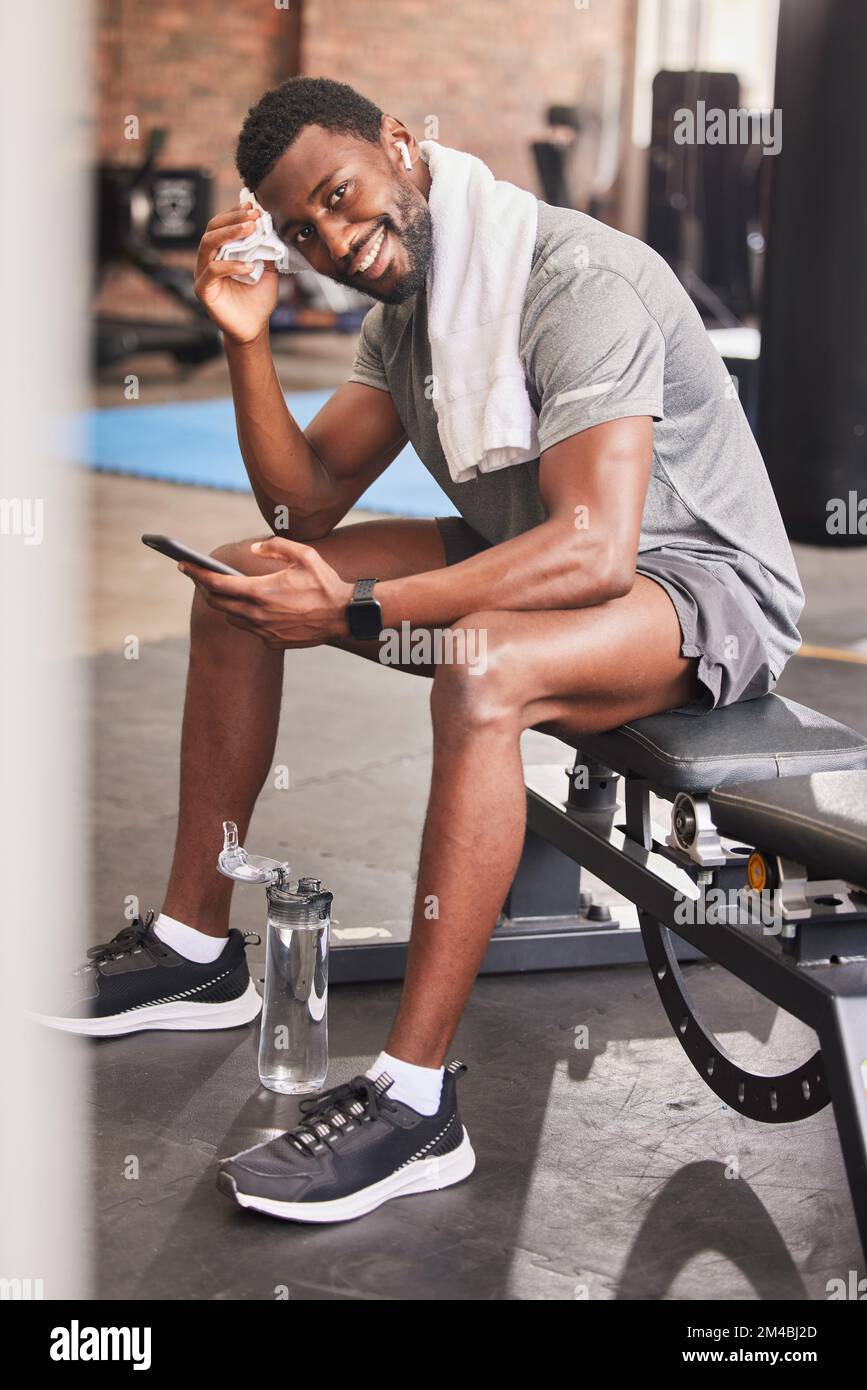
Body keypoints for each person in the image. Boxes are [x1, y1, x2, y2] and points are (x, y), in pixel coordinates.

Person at [45, 77, 804, 1223]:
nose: (338, 241)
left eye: (343, 198)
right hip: (532, 546)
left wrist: (363, 613)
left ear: (399, 144)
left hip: (699, 586)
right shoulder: (409, 313)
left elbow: (597, 550)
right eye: (304, 231)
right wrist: (243, 344)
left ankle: (416, 1102)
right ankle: (194, 945)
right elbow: (303, 514)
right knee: (243, 578)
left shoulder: (571, 280)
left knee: (481, 670)